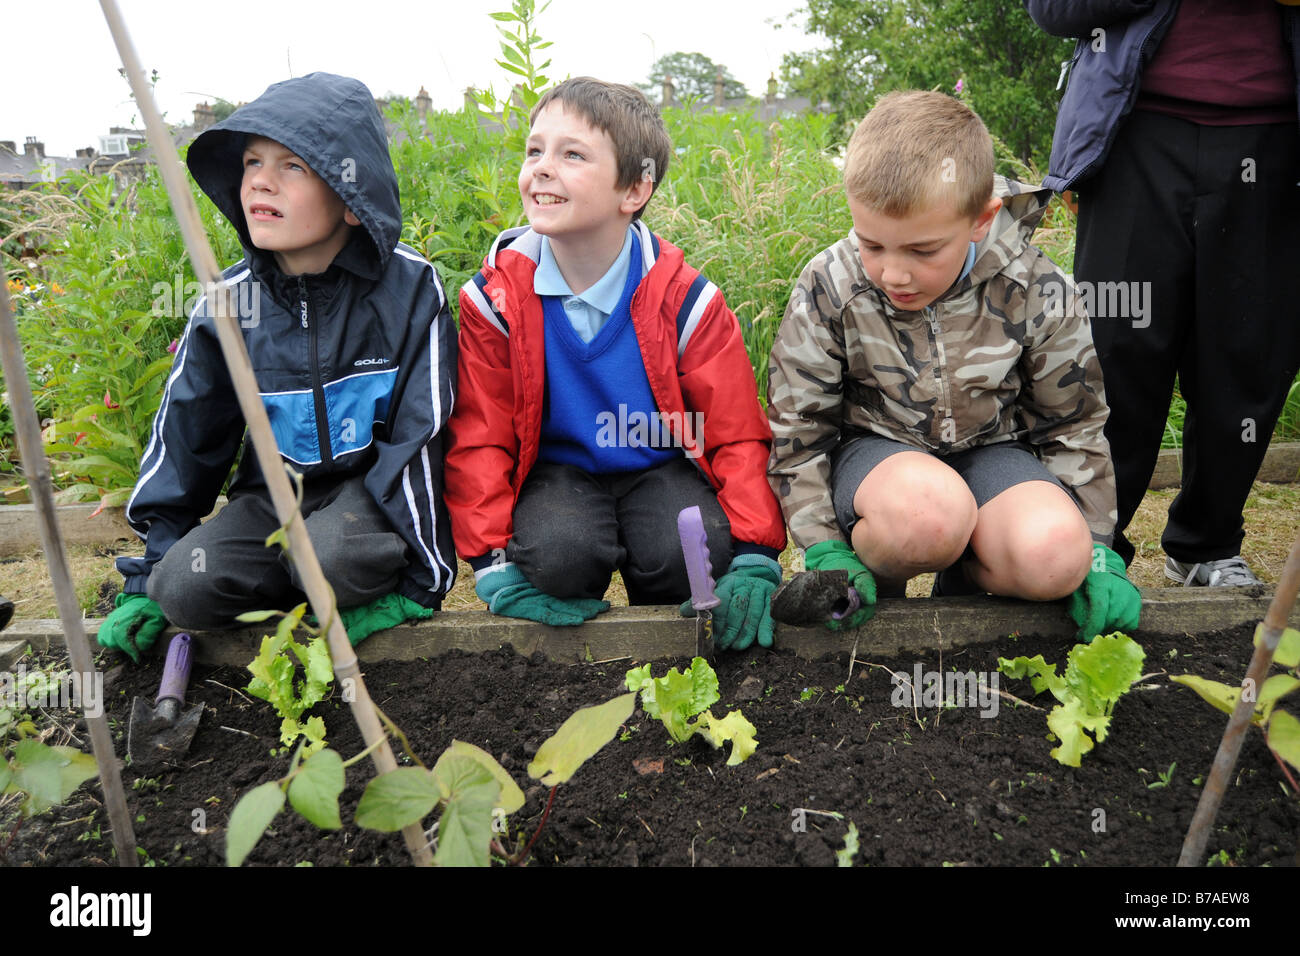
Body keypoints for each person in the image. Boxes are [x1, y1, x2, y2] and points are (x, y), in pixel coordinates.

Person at [97, 73, 457, 662]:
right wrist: (146, 576)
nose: (261, 179)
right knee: (183, 586)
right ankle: (301, 584)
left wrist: (424, 576)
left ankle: (336, 579)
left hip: (369, 496)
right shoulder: (228, 303)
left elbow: (423, 436)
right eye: (252, 162)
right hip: (273, 498)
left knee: (332, 557)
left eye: (294, 166)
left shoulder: (409, 288)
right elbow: (187, 436)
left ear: (352, 199)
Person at [767, 90, 1139, 642]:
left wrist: (1098, 548)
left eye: (922, 251)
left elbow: (1073, 425)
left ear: (981, 219)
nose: (893, 274)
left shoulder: (1038, 289)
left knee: (1059, 556)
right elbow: (799, 429)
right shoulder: (831, 284)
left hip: (992, 454)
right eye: (872, 244)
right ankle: (864, 579)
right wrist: (824, 545)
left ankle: (963, 579)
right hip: (879, 463)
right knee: (927, 517)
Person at [446, 77, 786, 651]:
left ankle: (667, 650)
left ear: (634, 188)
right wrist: (491, 561)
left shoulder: (686, 302)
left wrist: (757, 553)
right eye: (535, 151)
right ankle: (579, 657)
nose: (543, 168)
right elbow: (481, 435)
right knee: (557, 557)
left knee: (691, 552)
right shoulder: (496, 300)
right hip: (559, 471)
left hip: (660, 464)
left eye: (572, 154)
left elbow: (734, 432)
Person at [1025, 1, 1300, 587]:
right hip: (1133, 135)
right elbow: (1051, 9)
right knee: (1113, 354)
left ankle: (1206, 544)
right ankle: (1092, 545)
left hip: (1277, 141)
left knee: (1248, 358)